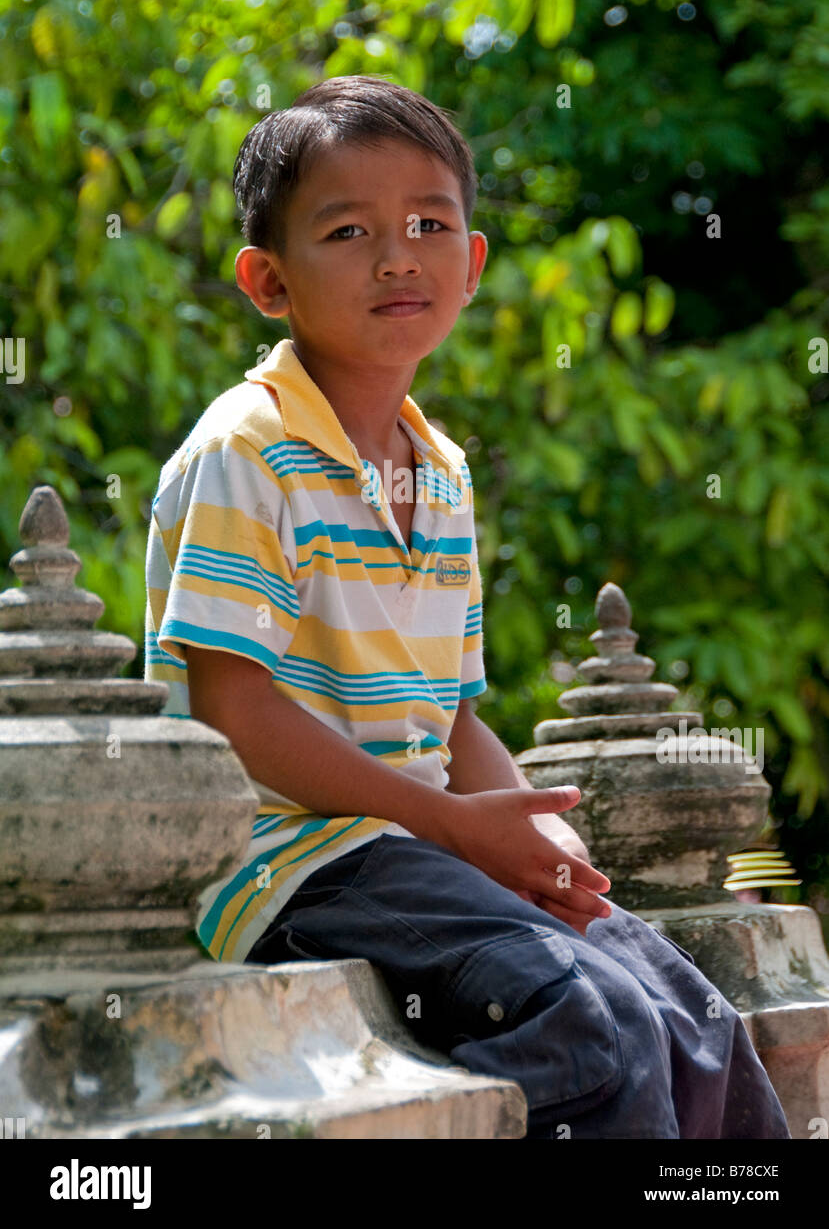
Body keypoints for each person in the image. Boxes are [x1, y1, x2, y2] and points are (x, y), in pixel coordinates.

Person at [144, 75, 790, 1139]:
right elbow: (232, 709)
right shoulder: (245, 450)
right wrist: (450, 824)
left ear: (472, 262)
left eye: (428, 224)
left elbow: (450, 718)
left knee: (695, 1013)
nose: (397, 256)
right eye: (348, 230)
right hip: (287, 867)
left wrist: (542, 849)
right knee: (585, 1020)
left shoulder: (437, 469)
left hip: (412, 851)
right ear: (267, 280)